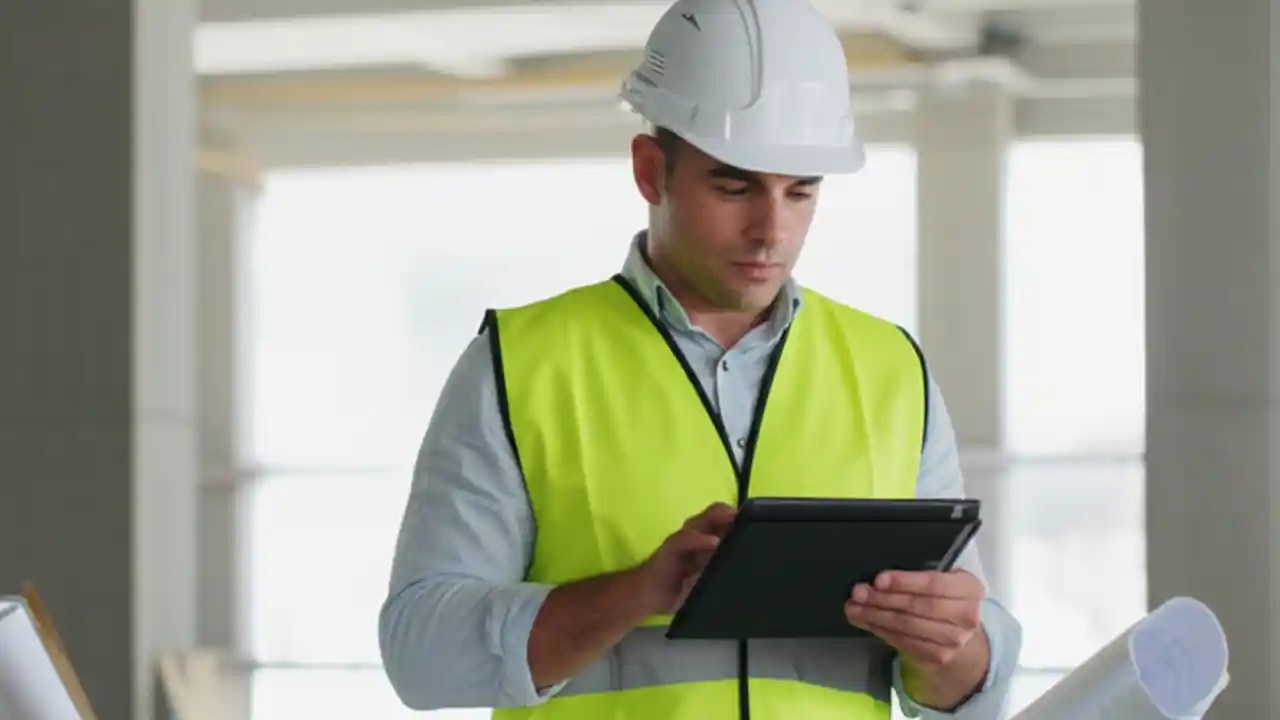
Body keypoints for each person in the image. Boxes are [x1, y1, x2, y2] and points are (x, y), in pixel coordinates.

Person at [380, 0, 1022, 717]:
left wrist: (949, 645)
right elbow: (423, 659)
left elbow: (969, 685)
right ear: (650, 170)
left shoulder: (891, 370)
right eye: (734, 187)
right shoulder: (519, 365)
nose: (771, 230)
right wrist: (638, 591)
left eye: (800, 191)